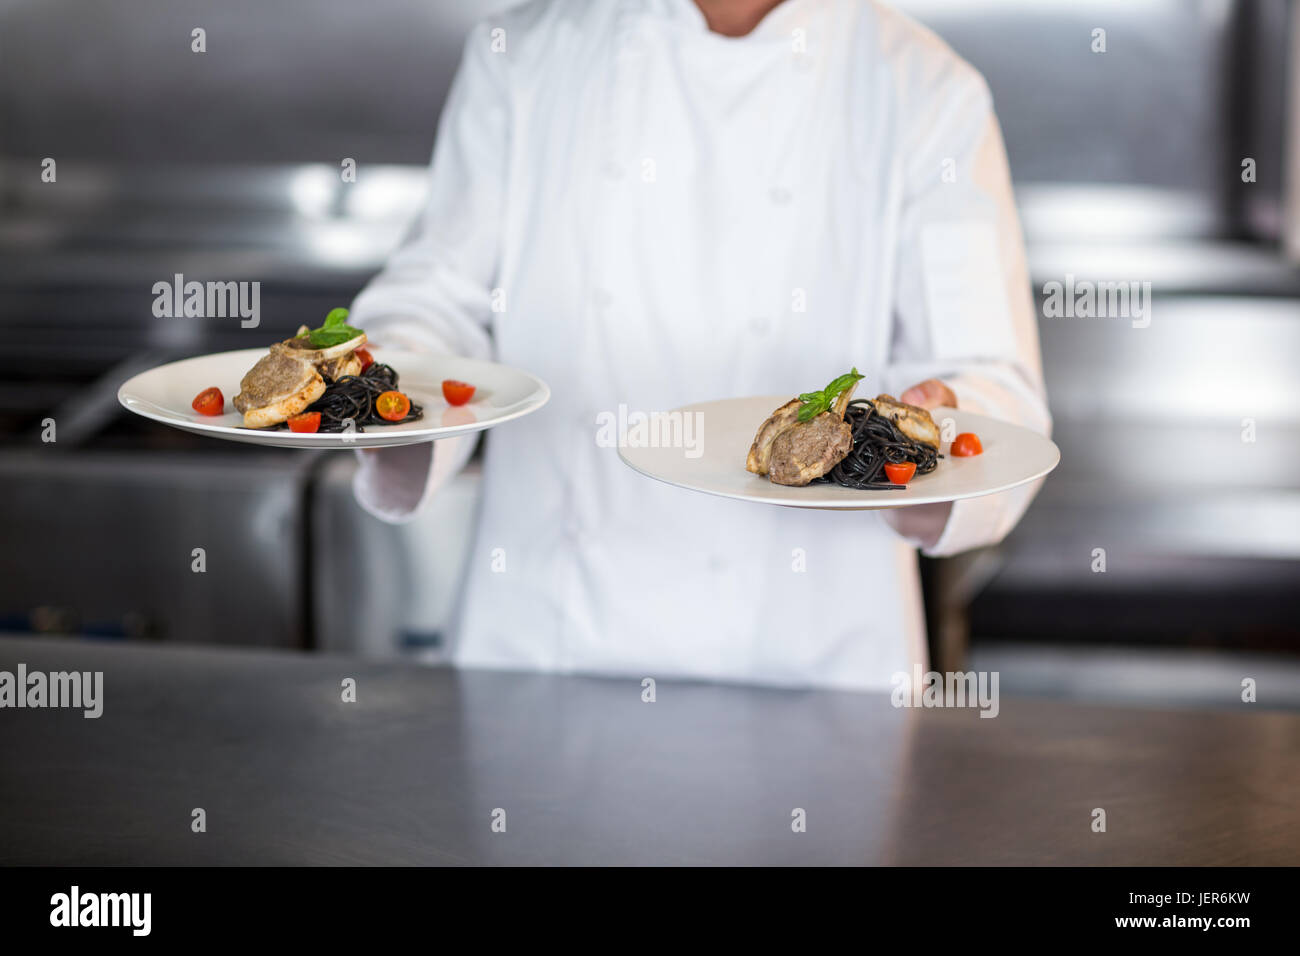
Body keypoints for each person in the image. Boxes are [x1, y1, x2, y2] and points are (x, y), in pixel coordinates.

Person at [347, 0, 1050, 691]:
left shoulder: (926, 86)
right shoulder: (522, 51)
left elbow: (990, 386)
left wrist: (930, 437)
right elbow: (436, 297)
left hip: (818, 666)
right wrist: (387, 387)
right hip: (543, 652)